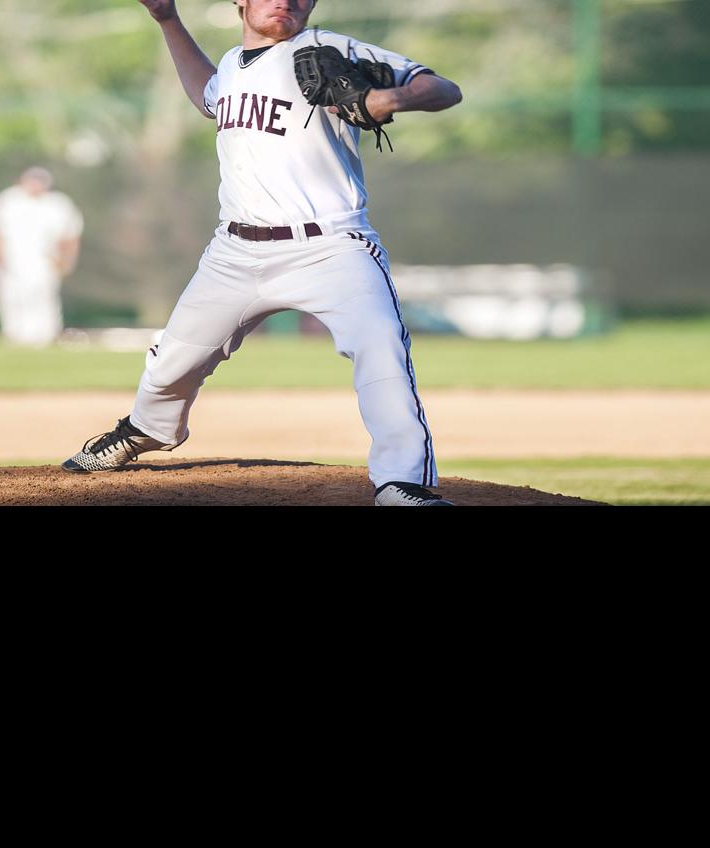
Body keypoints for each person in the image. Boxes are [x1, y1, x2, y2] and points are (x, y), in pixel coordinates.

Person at [62, 0, 464, 506]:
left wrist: (389, 98)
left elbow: (444, 89)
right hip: (232, 252)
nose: (286, 2)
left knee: (379, 345)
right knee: (171, 362)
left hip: (329, 246)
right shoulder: (231, 65)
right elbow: (207, 94)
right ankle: (147, 429)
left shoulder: (324, 47)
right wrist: (167, 18)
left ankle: (401, 481)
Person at [0, 166, 84, 347]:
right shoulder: (8, 200)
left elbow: (70, 235)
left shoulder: (58, 204)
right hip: (12, 261)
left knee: (43, 298)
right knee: (12, 298)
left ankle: (45, 336)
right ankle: (13, 335)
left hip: (44, 262)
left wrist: (66, 261)